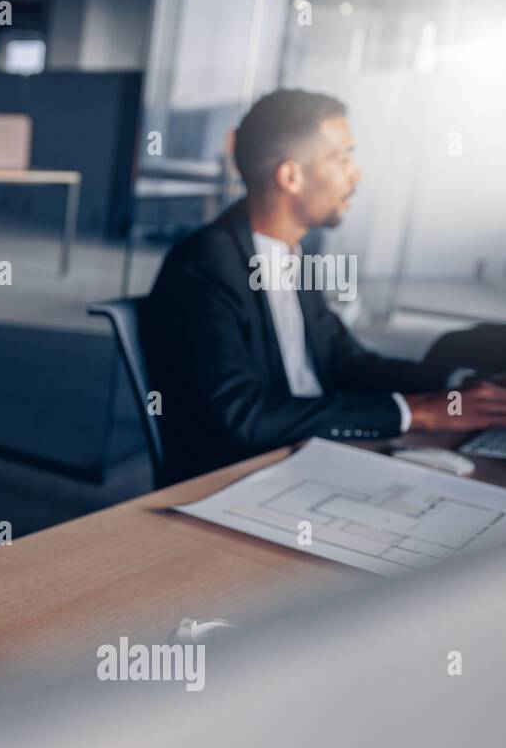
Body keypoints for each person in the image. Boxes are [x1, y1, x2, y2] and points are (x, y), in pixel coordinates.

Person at [139, 88, 506, 485]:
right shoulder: (203, 268)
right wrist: (417, 412)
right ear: (291, 176)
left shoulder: (295, 254)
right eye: (343, 156)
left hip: (317, 450)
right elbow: (241, 416)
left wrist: (459, 386)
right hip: (246, 474)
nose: (356, 173)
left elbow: (345, 362)